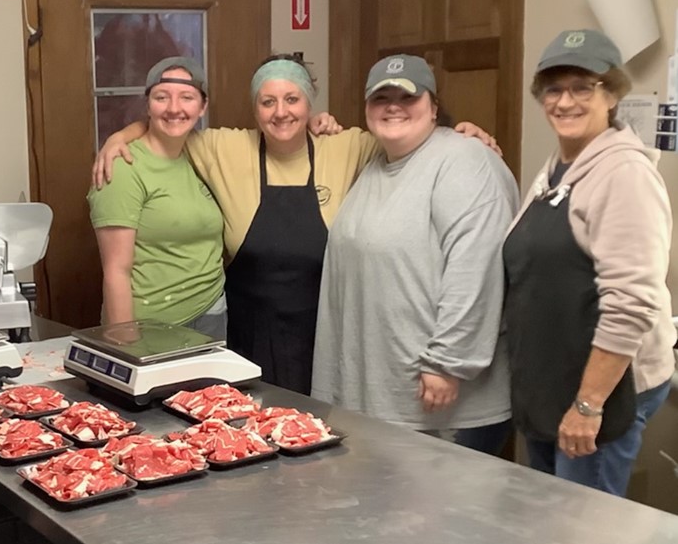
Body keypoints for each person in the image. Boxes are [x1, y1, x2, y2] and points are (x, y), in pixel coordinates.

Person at [92, 54, 497, 393]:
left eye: (292, 99)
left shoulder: (348, 146)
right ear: (254, 109)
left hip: (323, 333)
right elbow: (168, 125)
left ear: (309, 105)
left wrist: (462, 134)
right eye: (267, 102)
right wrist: (119, 136)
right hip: (243, 334)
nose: (281, 112)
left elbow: (408, 132)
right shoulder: (222, 146)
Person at [311, 55, 517, 455]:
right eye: (381, 97)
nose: (393, 106)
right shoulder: (375, 164)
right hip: (381, 400)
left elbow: (476, 268)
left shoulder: (466, 161)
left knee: (443, 518)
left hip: (443, 407)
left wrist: (447, 363)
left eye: (407, 97)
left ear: (434, 106)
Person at [502, 29, 675, 494]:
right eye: (554, 89)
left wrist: (588, 406)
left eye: (583, 87)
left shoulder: (625, 174)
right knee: (551, 516)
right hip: (555, 380)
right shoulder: (560, 165)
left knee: (584, 527)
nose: (565, 102)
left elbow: (631, 303)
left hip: (601, 394)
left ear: (613, 93)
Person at [87, 57, 227, 339]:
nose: (174, 108)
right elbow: (116, 271)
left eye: (187, 97)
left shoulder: (201, 153)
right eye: (162, 97)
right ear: (148, 105)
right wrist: (125, 345)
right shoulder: (123, 167)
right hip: (151, 325)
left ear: (203, 106)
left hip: (211, 311)